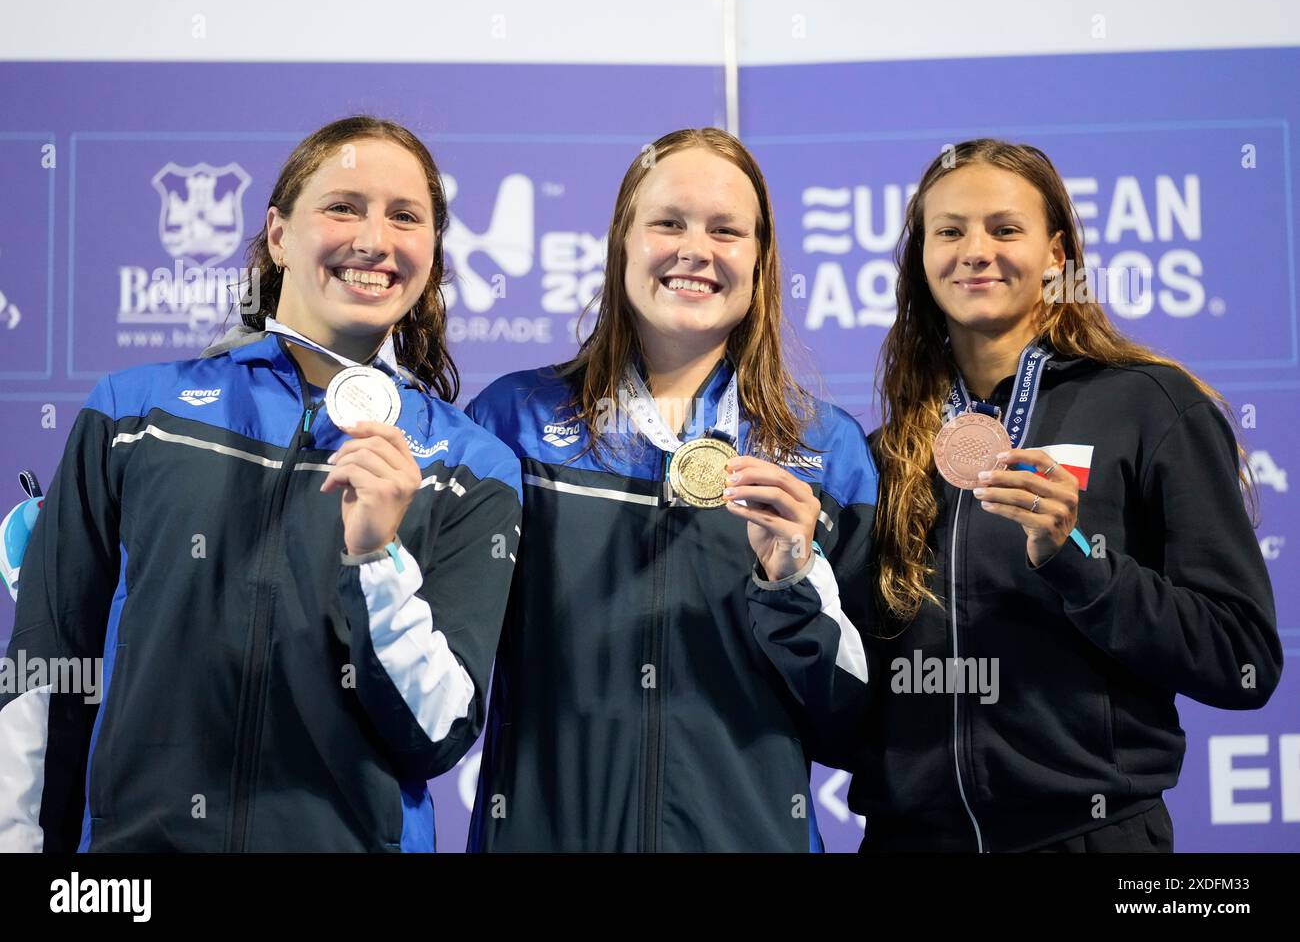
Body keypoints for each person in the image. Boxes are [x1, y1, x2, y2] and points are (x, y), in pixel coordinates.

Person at [0, 116, 522, 852]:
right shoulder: (133, 412)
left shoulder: (469, 464)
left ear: (431, 255)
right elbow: (46, 670)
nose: (374, 238)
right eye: (343, 206)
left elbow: (436, 735)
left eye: (406, 216)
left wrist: (376, 561)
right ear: (278, 234)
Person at [854, 138, 1282, 852]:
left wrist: (1079, 562)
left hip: (1089, 836)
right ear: (921, 258)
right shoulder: (887, 452)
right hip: (909, 839)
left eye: (1004, 228)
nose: (975, 250)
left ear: (1056, 256)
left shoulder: (1149, 407)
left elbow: (1243, 659)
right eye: (950, 231)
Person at [466, 128, 876, 852]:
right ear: (623, 240)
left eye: (726, 230)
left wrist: (791, 585)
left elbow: (857, 729)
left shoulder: (825, 451)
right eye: (668, 223)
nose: (697, 250)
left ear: (761, 259)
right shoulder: (511, 422)